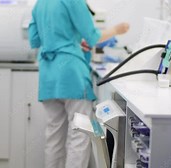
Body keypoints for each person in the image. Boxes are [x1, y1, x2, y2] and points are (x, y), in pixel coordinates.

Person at [28, 0, 129, 168]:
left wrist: (71, 42)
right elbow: (93, 37)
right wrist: (117, 30)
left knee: (54, 136)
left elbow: (34, 40)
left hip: (48, 75)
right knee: (80, 135)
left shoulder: (40, 4)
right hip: (71, 74)